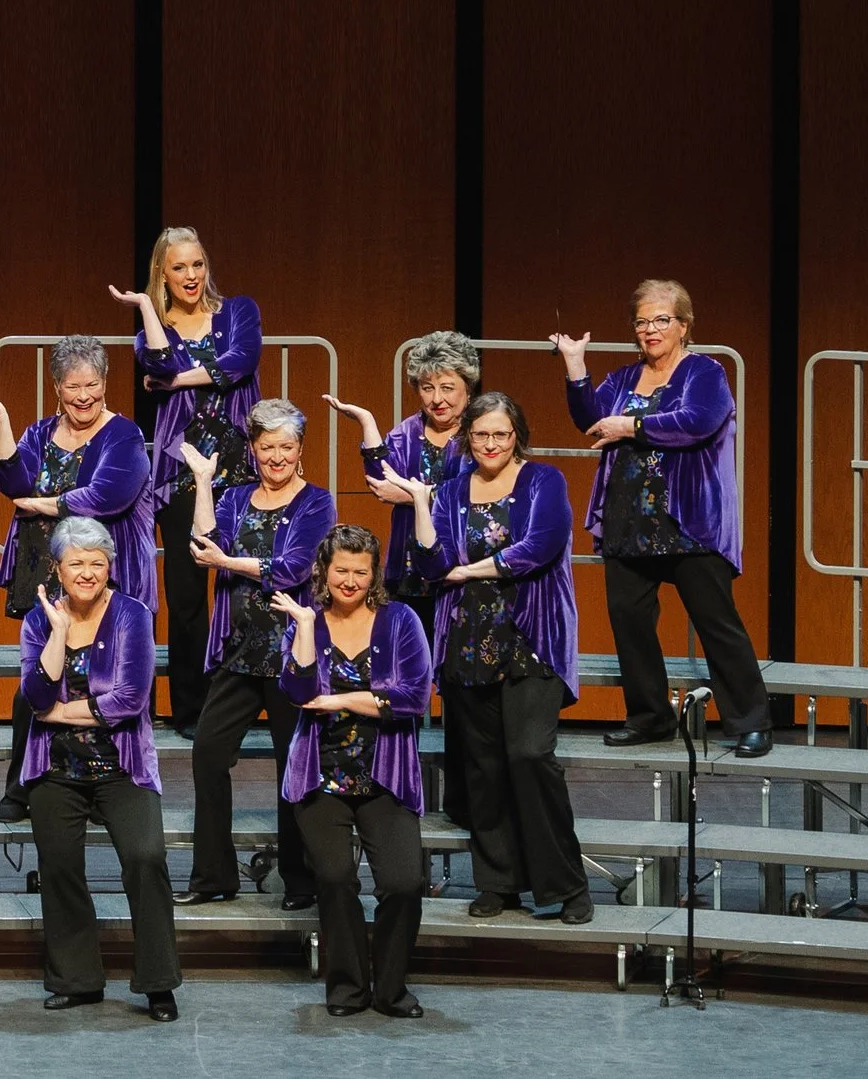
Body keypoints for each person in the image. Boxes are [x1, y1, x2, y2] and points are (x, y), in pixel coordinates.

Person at [378, 392, 591, 923]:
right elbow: (431, 564)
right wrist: (421, 504)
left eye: (500, 433)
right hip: (466, 640)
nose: (491, 444)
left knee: (529, 756)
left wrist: (469, 569)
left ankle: (567, 886)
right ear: (467, 439)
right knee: (483, 768)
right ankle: (499, 883)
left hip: (531, 640)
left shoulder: (543, 481)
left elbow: (540, 546)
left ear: (517, 435)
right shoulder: (451, 491)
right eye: (480, 435)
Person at [553, 280, 771, 758]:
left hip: (688, 520)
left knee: (716, 622)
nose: (650, 329)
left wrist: (630, 426)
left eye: (661, 320)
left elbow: (697, 422)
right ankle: (650, 717)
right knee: (629, 622)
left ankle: (751, 721)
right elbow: (590, 418)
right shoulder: (624, 378)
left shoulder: (704, 372)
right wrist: (575, 366)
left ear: (683, 326)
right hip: (628, 519)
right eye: (642, 322)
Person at [0, 334, 152, 823]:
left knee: (105, 679)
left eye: (93, 385)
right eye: (72, 387)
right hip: (46, 573)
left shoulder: (123, 436)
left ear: (105, 383)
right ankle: (23, 786)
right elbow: (14, 483)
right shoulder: (41, 431)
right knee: (38, 680)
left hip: (103, 576)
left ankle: (107, 786)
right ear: (57, 388)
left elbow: (108, 495)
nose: (84, 396)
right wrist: (2, 420)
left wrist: (46, 505)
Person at [16, 517, 179, 1022]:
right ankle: (77, 980)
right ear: (57, 570)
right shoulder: (38, 620)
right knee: (59, 866)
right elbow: (35, 696)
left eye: (97, 563)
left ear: (110, 567)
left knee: (146, 858)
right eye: (76, 563)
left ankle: (157, 982)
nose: (87, 573)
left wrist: (61, 712)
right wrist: (59, 634)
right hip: (56, 767)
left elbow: (130, 699)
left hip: (122, 765)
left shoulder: (132, 615)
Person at [176, 399, 336, 908]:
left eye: (286, 447)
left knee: (295, 763)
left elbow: (294, 568)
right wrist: (204, 482)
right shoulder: (237, 496)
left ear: (300, 449)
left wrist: (228, 561)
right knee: (207, 753)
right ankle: (214, 878)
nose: (277, 457)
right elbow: (204, 545)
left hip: (291, 655)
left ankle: (300, 879)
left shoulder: (317, 502)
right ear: (252, 448)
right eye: (267, 447)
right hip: (239, 650)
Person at [110, 227, 262, 734]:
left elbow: (241, 362)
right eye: (179, 267)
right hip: (180, 473)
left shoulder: (238, 311)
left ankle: (243, 703)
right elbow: (158, 361)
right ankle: (192, 710)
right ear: (163, 273)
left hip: (240, 468)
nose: (192, 275)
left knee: (243, 586)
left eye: (198, 264)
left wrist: (176, 380)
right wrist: (146, 308)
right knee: (188, 594)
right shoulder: (152, 331)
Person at [275, 525, 432, 1018]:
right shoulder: (306, 622)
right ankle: (347, 987)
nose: (349, 581)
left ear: (374, 574)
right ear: (324, 571)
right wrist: (304, 628)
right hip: (320, 778)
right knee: (335, 878)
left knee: (404, 883)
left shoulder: (401, 621)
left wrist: (341, 700)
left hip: (385, 777)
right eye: (341, 570)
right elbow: (298, 693)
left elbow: (414, 697)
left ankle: (391, 989)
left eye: (360, 572)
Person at [327, 331, 482, 822]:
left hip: (459, 578)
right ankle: (397, 796)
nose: (438, 398)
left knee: (460, 695)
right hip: (407, 577)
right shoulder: (408, 432)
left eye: (448, 387)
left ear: (468, 387)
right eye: (428, 387)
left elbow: (478, 491)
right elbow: (379, 480)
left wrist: (418, 494)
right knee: (399, 688)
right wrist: (368, 423)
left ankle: (462, 804)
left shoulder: (479, 432)